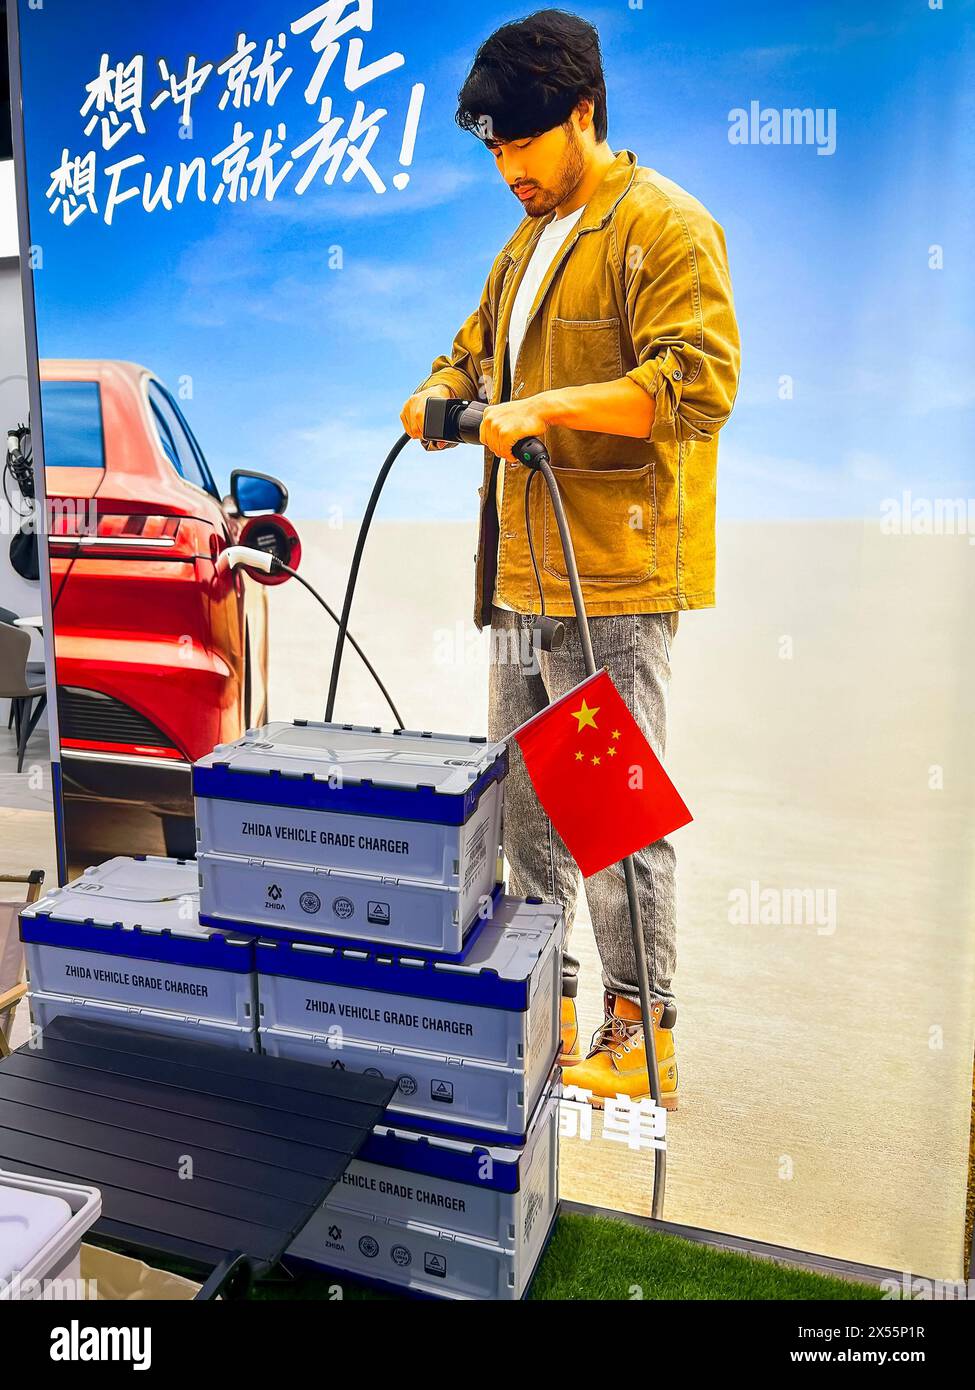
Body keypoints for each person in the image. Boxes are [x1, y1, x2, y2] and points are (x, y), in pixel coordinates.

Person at [401, 10, 740, 1108]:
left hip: (610, 582)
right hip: (519, 583)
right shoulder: (524, 248)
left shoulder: (665, 228)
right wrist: (441, 397)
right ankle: (542, 1012)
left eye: (522, 143)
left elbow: (699, 382)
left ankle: (644, 1037)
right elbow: (468, 354)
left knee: (609, 813)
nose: (507, 168)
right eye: (493, 149)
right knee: (523, 813)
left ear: (583, 112)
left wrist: (544, 404)